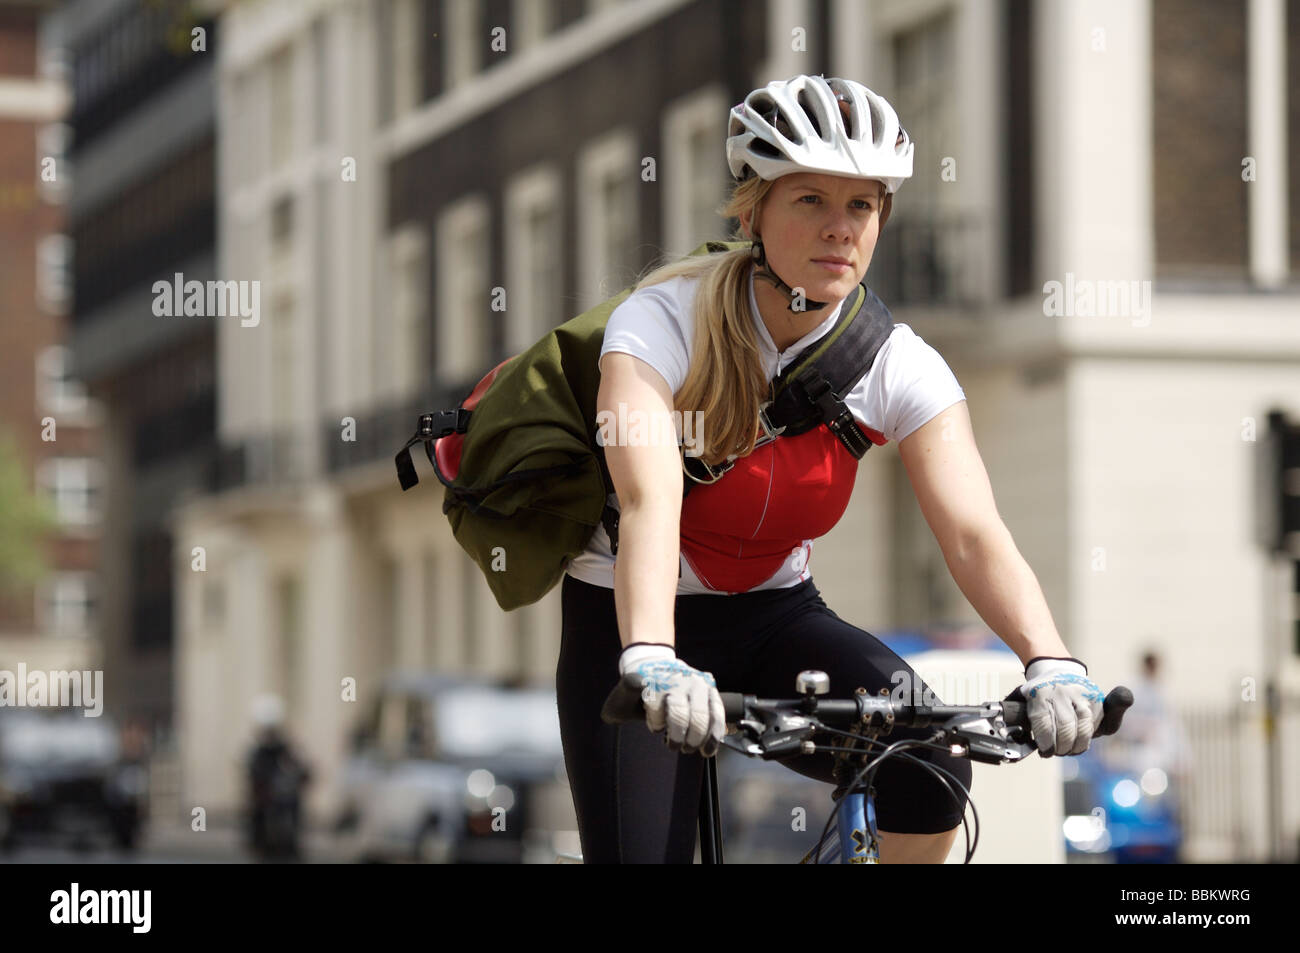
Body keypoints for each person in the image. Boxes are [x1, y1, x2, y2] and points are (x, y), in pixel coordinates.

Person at [557, 74, 1105, 864]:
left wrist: (1049, 658)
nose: (840, 228)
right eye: (809, 200)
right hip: (629, 611)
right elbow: (650, 502)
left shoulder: (895, 362)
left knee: (930, 761)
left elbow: (975, 533)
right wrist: (650, 656)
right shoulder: (658, 322)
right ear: (753, 212)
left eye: (862, 205)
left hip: (775, 615)